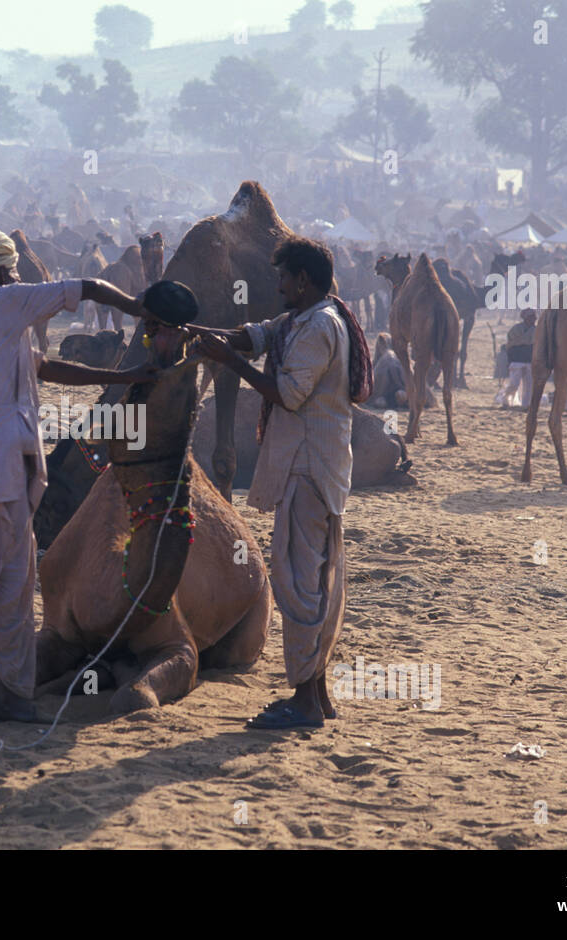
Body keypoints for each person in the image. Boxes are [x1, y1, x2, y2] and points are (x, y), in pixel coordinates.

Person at [0, 229, 158, 722]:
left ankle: (3, 691)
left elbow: (48, 369)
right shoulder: (2, 302)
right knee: (12, 585)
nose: (20, 278)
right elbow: (83, 286)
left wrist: (121, 379)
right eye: (14, 270)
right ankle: (14, 698)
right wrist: (140, 307)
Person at [191, 236, 369, 729]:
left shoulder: (317, 329)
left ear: (303, 281)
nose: (278, 285)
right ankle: (316, 693)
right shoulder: (304, 319)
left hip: (308, 468)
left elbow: (289, 395)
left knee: (298, 584)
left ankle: (306, 702)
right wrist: (200, 332)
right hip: (315, 466)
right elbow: (258, 333)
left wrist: (228, 362)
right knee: (315, 582)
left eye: (284, 278)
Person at [495, 309, 536, 408]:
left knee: (529, 386)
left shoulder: (537, 330)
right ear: (525, 318)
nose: (533, 319)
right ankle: (506, 399)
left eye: (534, 317)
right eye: (531, 317)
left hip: (530, 361)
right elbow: (511, 344)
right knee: (514, 384)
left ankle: (526, 405)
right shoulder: (516, 329)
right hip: (516, 360)